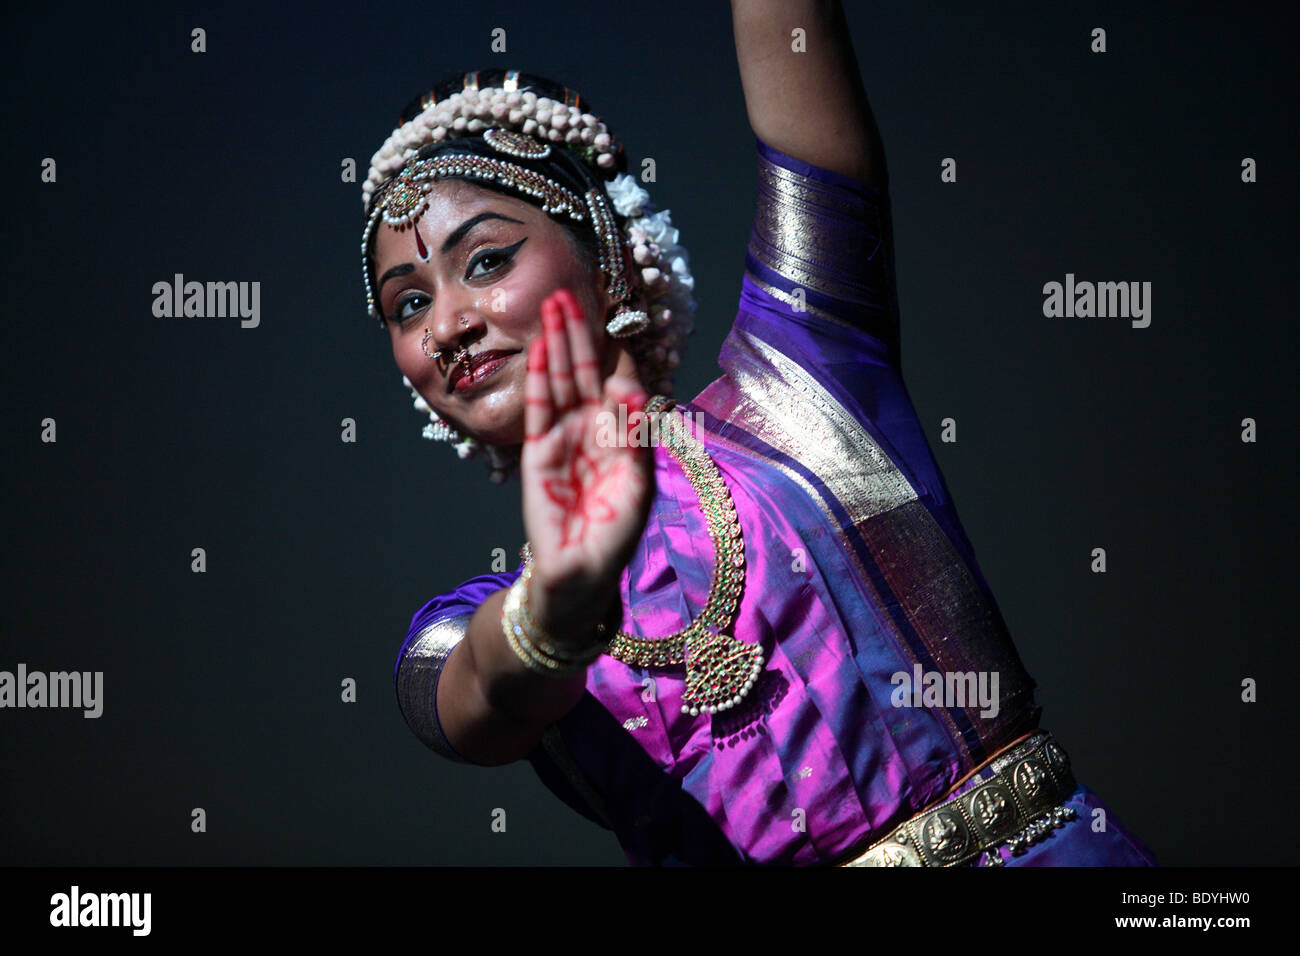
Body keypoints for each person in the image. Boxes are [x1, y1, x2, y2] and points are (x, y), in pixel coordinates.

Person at [364, 2, 1158, 866]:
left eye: (485, 260)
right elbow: (479, 698)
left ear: (608, 261)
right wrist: (554, 607)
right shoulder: (467, 624)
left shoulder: (801, 376)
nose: (447, 324)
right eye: (408, 304)